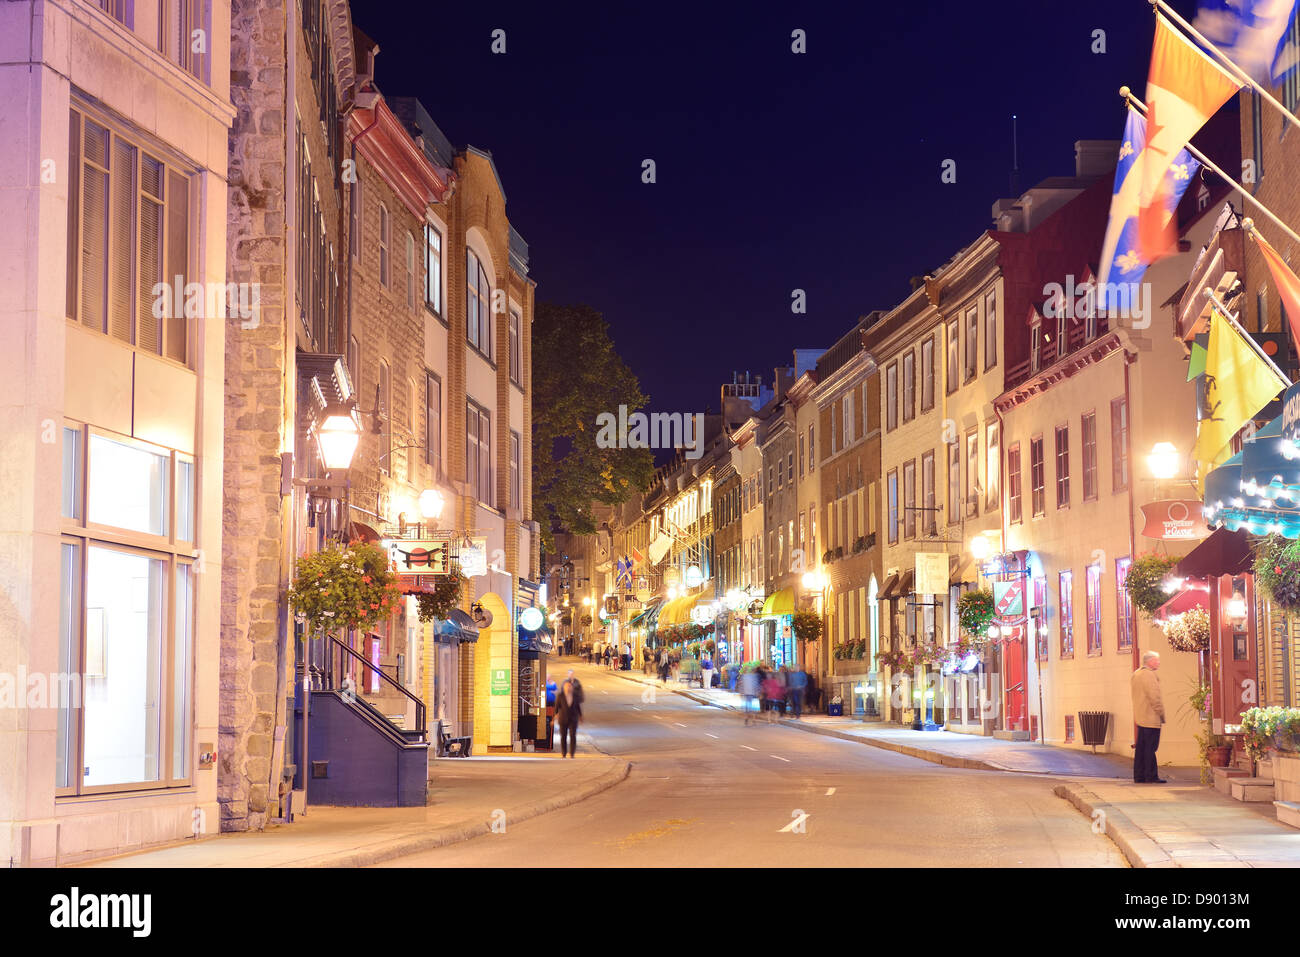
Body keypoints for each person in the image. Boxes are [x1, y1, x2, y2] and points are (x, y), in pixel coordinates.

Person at [1131, 650, 1167, 783]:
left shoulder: (1136, 674)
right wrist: (1161, 713)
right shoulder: (1149, 675)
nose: (1158, 662)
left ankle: (1139, 775)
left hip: (1140, 716)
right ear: (1149, 661)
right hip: (1150, 716)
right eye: (1156, 660)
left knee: (1141, 748)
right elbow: (1154, 697)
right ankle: (1151, 775)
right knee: (1150, 748)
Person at [554, 669, 585, 758]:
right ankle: (564, 753)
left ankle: (572, 753)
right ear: (564, 688)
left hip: (573, 719)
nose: (568, 688)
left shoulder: (575, 695)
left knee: (573, 736)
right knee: (563, 737)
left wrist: (580, 716)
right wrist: (555, 717)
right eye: (566, 687)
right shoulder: (560, 696)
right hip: (563, 719)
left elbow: (578, 707)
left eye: (569, 687)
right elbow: (557, 707)